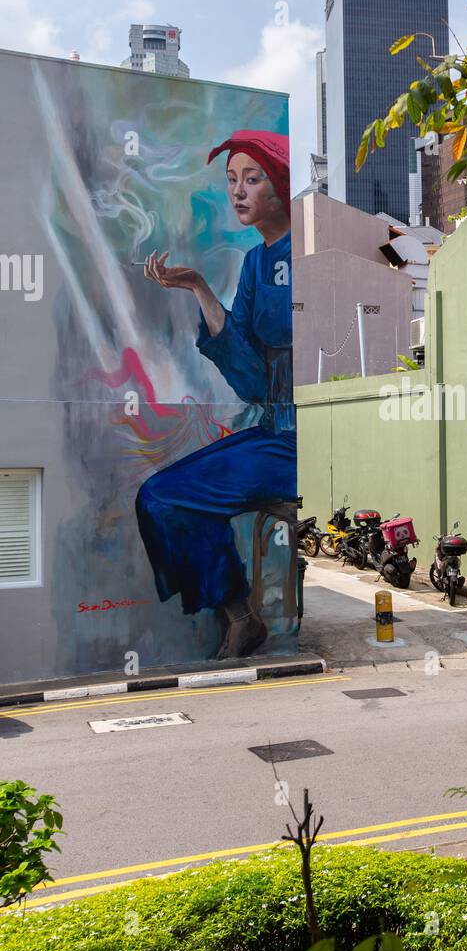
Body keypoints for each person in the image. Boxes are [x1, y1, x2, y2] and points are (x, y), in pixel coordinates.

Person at [135, 130, 296, 659]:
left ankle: (242, 620)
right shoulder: (255, 263)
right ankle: (239, 617)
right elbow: (249, 377)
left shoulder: (311, 249)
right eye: (232, 180)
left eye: (252, 179)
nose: (238, 192)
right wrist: (201, 288)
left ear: (281, 184)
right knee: (161, 496)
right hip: (273, 432)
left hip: (309, 439)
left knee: (170, 495)